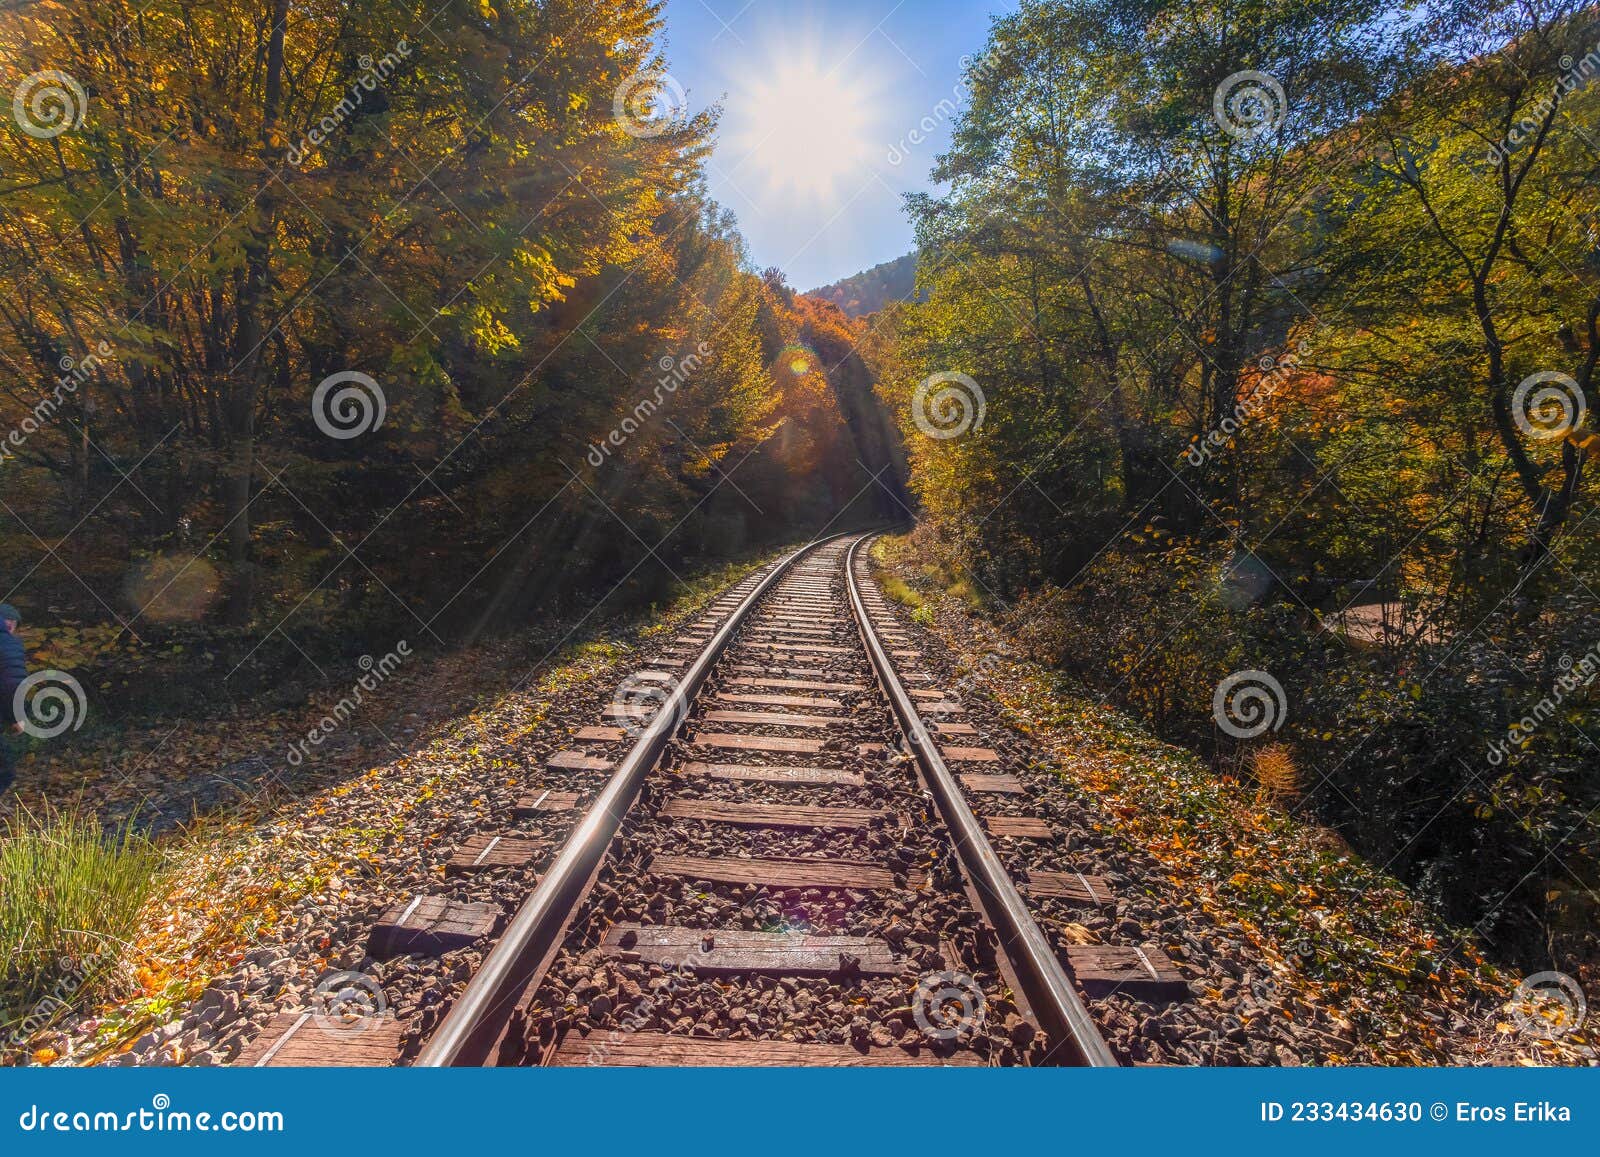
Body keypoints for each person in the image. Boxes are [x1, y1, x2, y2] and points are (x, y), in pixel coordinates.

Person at [0, 603, 26, 794]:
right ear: (10, 624)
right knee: (5, 772)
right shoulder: (8, 643)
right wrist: (15, 717)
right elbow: (12, 684)